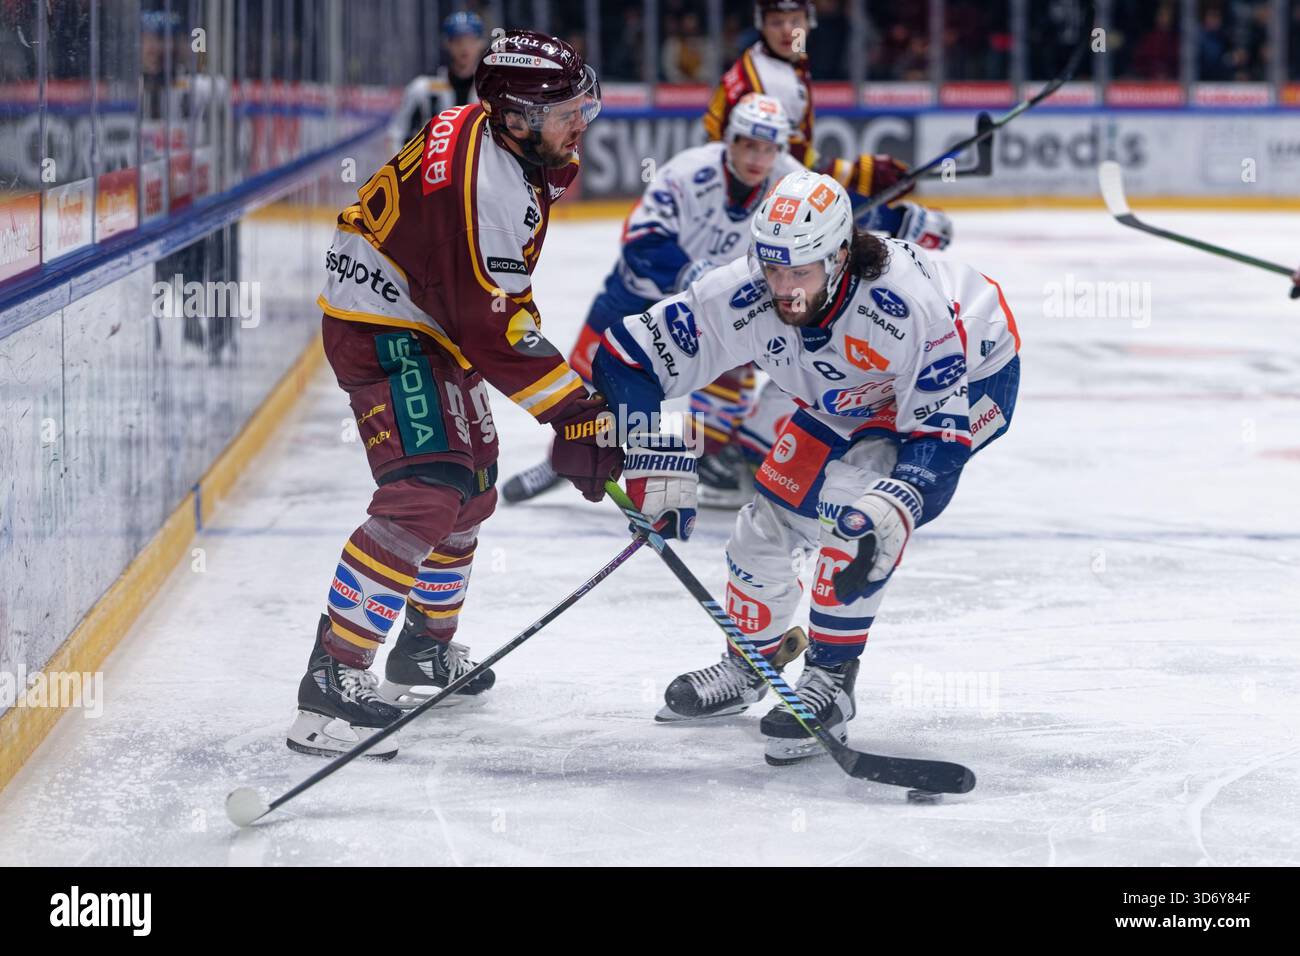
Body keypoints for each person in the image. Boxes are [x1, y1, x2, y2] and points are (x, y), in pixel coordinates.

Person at [590, 171, 1021, 764]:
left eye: (801, 272)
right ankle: (751, 662)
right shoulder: (745, 291)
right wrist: (649, 448)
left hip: (972, 375)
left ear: (840, 256)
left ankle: (831, 681)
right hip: (849, 393)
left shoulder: (906, 309)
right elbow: (624, 357)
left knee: (856, 514)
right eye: (773, 269)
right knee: (761, 528)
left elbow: (937, 442)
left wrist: (902, 501)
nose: (784, 290)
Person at [288, 31, 621, 759]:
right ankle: (331, 681)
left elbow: (494, 306)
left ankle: (423, 651)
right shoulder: (489, 186)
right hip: (386, 330)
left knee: (471, 488)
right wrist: (576, 413)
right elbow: (492, 327)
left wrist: (571, 407)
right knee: (426, 490)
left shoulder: (499, 143)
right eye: (565, 112)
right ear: (515, 118)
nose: (580, 124)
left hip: (426, 319)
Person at [387, 11, 487, 154]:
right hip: (432, 169)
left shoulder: (492, 88)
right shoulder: (422, 87)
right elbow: (396, 135)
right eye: (458, 41)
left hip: (478, 171)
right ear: (448, 43)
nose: (464, 47)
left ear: (480, 43)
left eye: (470, 40)